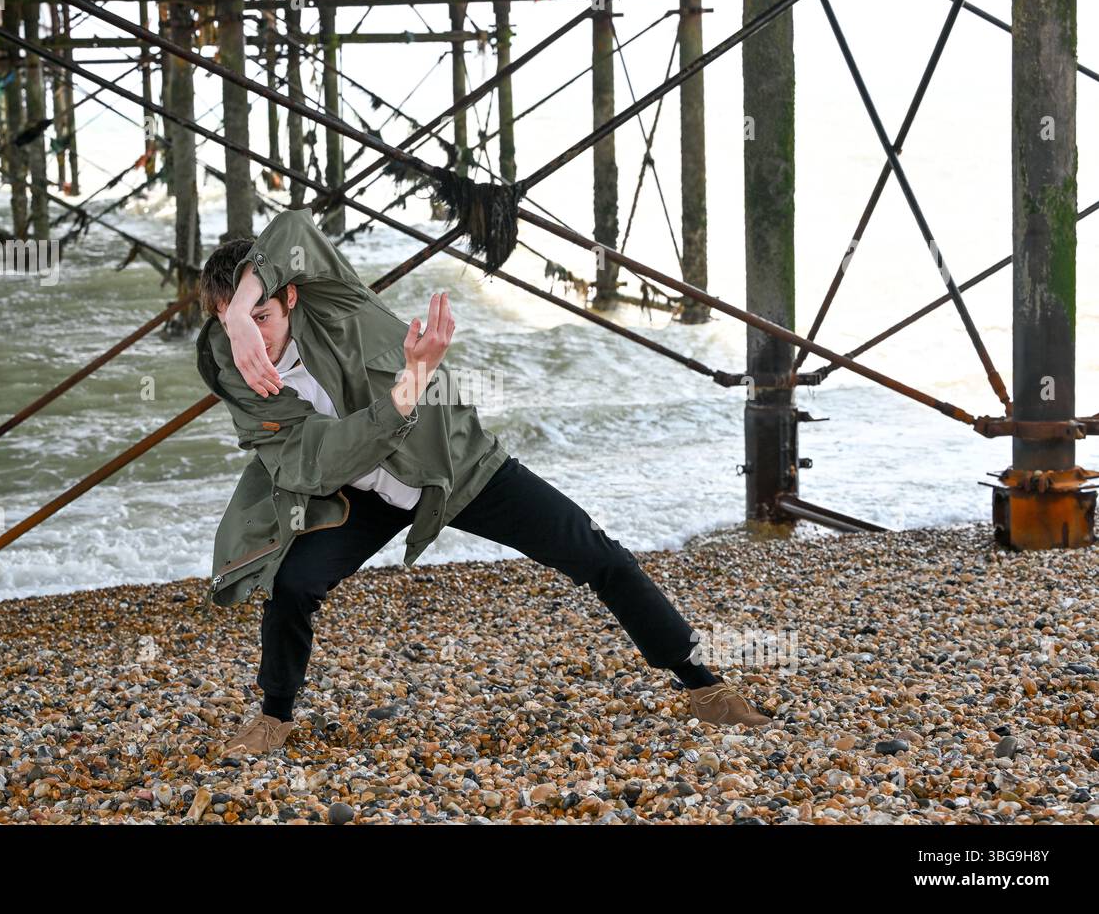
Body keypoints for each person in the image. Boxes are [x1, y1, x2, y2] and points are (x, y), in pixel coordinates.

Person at [194, 210, 771, 756]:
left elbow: (293, 228)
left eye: (260, 318)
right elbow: (315, 462)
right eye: (228, 325)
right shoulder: (233, 371)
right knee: (293, 585)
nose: (249, 339)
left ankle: (702, 684)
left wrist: (241, 309)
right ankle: (274, 714)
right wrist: (410, 382)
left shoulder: (332, 298)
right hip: (355, 493)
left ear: (288, 295)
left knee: (601, 556)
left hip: (456, 465)